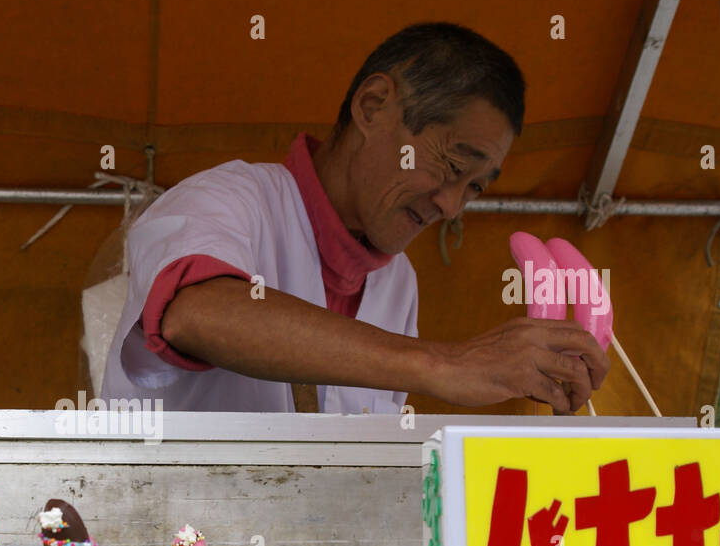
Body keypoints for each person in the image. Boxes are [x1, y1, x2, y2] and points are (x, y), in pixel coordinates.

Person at [101, 22, 609, 415]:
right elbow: (196, 313)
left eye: (474, 186)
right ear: (372, 107)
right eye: (452, 165)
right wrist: (443, 362)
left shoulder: (398, 282)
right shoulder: (230, 199)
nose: (452, 206)